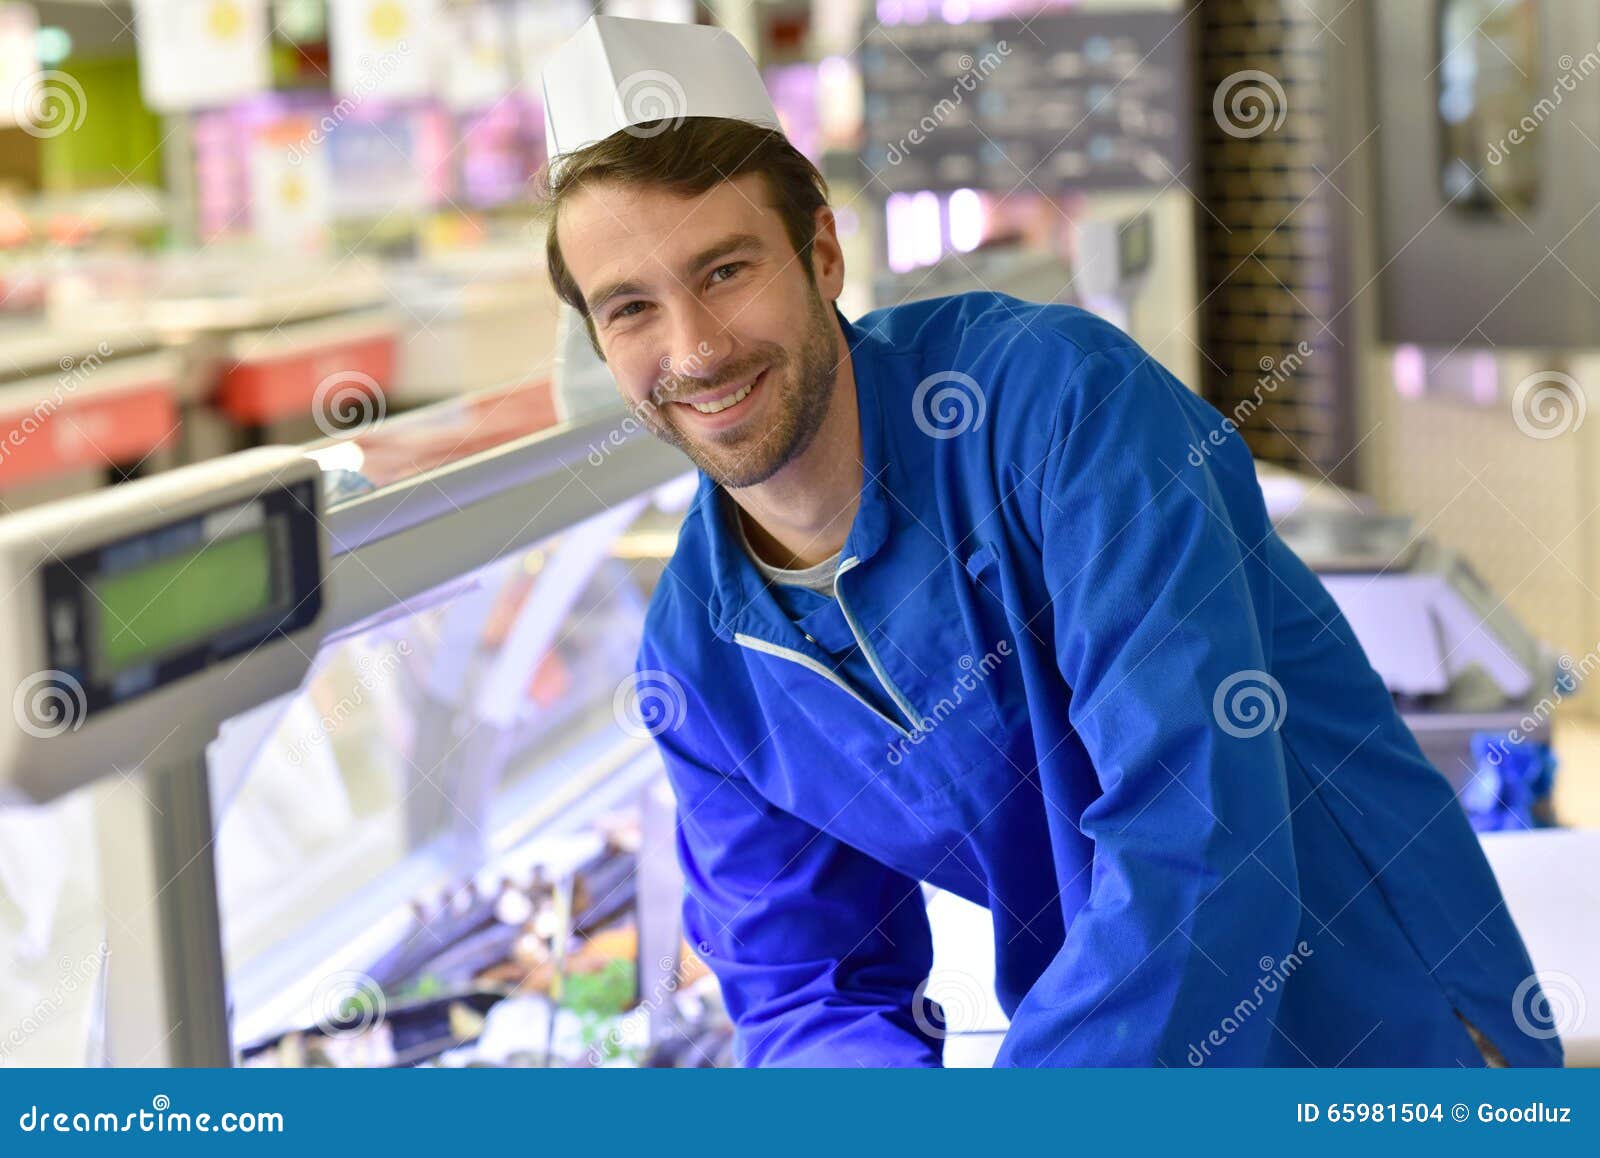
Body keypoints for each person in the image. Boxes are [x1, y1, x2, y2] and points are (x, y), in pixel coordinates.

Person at [535, 15, 1558, 1068]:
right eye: (630, 309)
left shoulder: (1058, 409)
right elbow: (807, 990)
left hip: (1368, 1022)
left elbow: (1198, 830)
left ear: (822, 253)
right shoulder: (700, 656)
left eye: (724, 271)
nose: (693, 349)